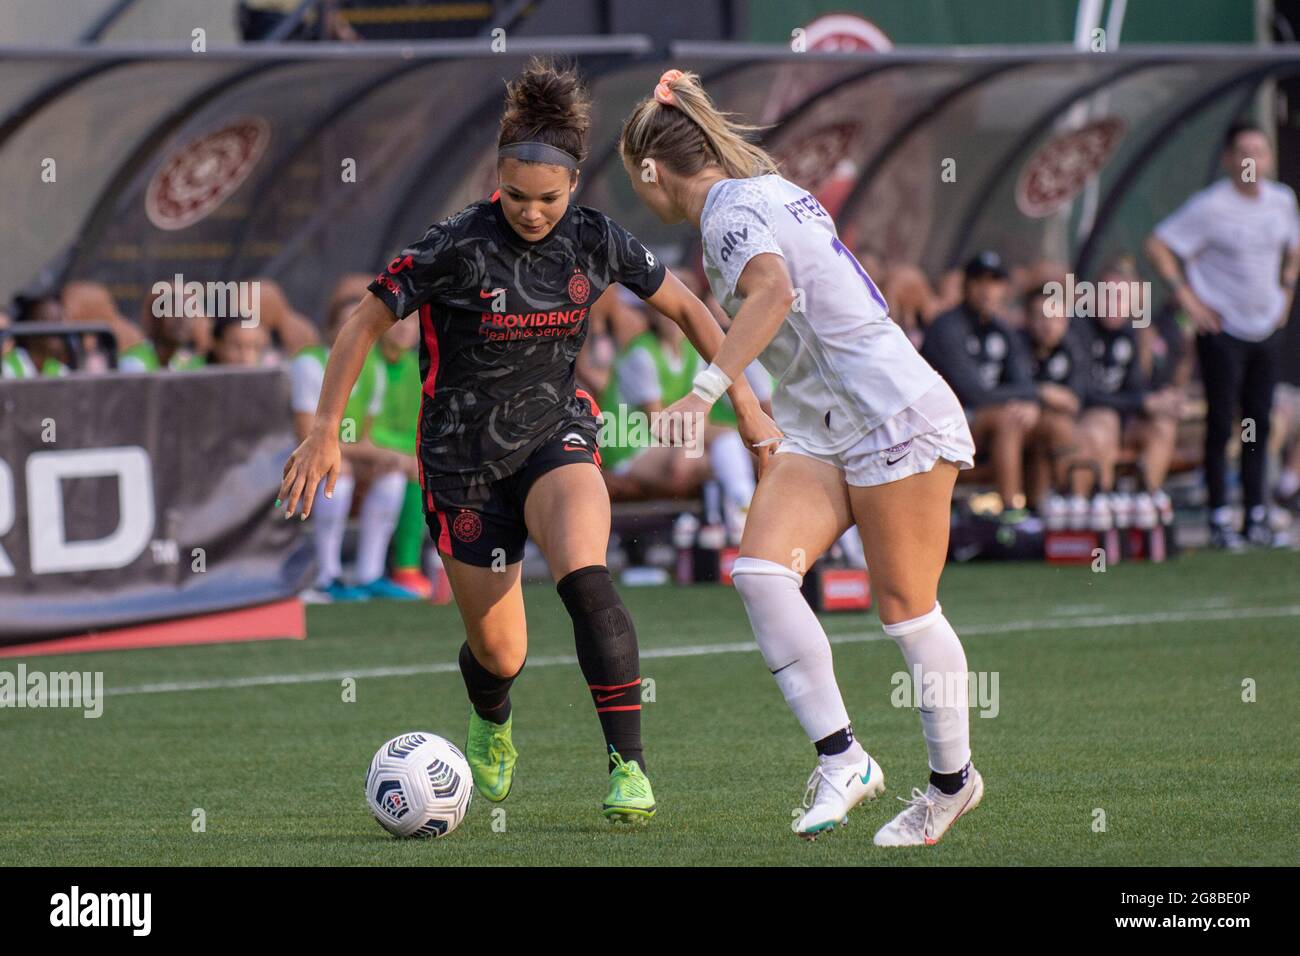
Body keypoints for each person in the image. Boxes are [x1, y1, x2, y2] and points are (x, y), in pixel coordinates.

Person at [278, 59, 776, 823]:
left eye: (549, 197)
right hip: (460, 466)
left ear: (574, 185)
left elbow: (690, 309)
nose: (533, 211)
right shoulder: (456, 245)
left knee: (585, 575)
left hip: (557, 437)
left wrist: (741, 399)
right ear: (495, 179)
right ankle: (493, 714)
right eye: (516, 195)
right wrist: (323, 433)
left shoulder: (595, 238)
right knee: (500, 653)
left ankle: (629, 768)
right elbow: (364, 320)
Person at [620, 69, 982, 845]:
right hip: (826, 422)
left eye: (634, 179)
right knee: (759, 574)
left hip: (891, 412)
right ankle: (843, 758)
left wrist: (705, 392)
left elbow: (775, 293)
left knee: (906, 612)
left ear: (652, 171)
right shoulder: (765, 189)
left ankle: (952, 784)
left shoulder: (727, 212)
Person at [1146, 121, 1300, 549]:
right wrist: (1189, 300)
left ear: (1269, 158)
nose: (1252, 159)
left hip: (1264, 327)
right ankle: (1219, 516)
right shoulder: (1210, 206)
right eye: (1243, 152)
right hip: (1223, 330)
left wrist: (1285, 291)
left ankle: (1257, 513)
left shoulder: (1282, 200)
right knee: (1221, 421)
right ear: (1230, 160)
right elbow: (1158, 245)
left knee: (1259, 421)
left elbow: (1293, 246)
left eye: (1260, 151)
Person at [289, 286, 415, 601]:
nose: (355, 333)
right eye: (347, 325)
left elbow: (363, 437)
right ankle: (325, 576)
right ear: (332, 329)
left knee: (392, 473)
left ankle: (369, 574)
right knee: (339, 474)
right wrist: (368, 455)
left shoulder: (374, 368)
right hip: (297, 461)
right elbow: (308, 438)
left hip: (344, 454)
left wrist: (385, 457)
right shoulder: (309, 363)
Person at [922, 251, 1039, 521]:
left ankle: (1045, 511)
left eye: (996, 283)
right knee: (1008, 420)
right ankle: (1011, 514)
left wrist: (1030, 401)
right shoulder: (946, 327)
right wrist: (1032, 395)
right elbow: (974, 394)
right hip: (945, 423)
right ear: (966, 286)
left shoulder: (1003, 330)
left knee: (1051, 425)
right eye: (980, 282)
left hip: (987, 420)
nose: (988, 291)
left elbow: (1023, 381)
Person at [1020, 287, 1090, 505]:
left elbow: (1074, 400)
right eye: (1041, 316)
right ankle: (1075, 501)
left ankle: (1068, 504)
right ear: (1028, 319)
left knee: (1069, 433)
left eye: (1055, 317)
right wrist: (1043, 393)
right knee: (1059, 428)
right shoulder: (1018, 345)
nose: (1049, 324)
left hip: (1055, 431)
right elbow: (1013, 387)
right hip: (1019, 426)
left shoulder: (1074, 347)